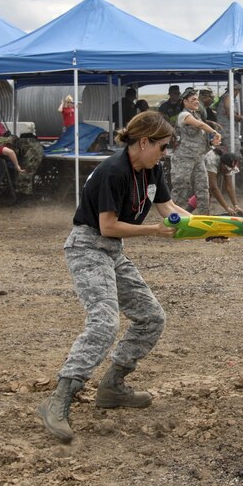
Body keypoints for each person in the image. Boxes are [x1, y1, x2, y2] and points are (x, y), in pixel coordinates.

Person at [36, 111, 190, 443]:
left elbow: (171, 210)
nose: (165, 153)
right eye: (163, 147)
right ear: (144, 142)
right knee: (104, 323)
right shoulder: (113, 171)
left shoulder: (151, 169)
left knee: (151, 318)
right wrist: (154, 232)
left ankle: (112, 387)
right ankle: (59, 398)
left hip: (112, 251)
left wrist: (208, 229)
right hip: (87, 246)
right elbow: (107, 226)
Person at [170, 88, 222, 212]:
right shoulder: (184, 115)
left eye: (197, 100)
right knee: (181, 188)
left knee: (203, 188)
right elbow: (200, 125)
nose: (196, 102)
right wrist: (214, 132)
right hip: (184, 158)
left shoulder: (196, 115)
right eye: (193, 100)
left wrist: (211, 141)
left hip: (198, 158)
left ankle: (204, 218)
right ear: (185, 102)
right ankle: (174, 219)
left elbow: (201, 134)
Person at [0, 124, 44, 197]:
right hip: (27, 146)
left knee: (24, 173)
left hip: (32, 148)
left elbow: (11, 152)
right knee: (21, 173)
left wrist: (17, 165)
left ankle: (24, 199)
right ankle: (21, 197)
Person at [187, 149, 243, 216]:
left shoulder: (228, 164)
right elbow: (213, 188)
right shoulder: (212, 161)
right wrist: (227, 207)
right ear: (222, 164)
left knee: (207, 193)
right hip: (196, 170)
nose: (228, 172)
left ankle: (189, 212)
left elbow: (229, 186)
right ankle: (188, 213)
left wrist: (235, 205)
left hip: (209, 168)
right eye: (227, 169)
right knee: (205, 193)